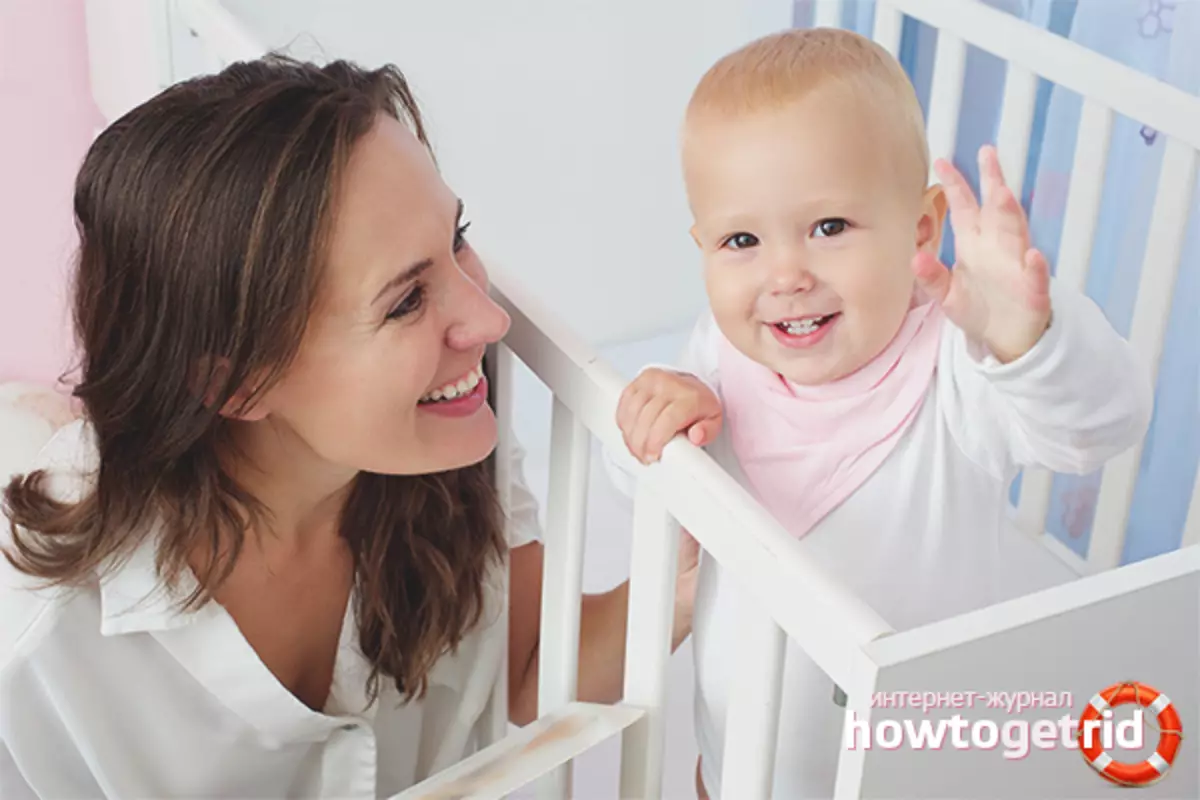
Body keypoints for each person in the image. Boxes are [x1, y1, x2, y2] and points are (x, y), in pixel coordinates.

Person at [0, 56, 698, 798]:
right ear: (237, 380)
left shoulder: (437, 439)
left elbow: (527, 662)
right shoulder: (38, 649)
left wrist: (687, 580)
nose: (489, 322)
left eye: (457, 237)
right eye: (405, 301)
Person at [614, 28, 1153, 799]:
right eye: (741, 240)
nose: (786, 275)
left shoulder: (959, 368)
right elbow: (635, 476)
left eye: (829, 227)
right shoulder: (719, 357)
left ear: (923, 229)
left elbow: (1104, 425)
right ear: (702, 246)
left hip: (917, 762)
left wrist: (1028, 343)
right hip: (734, 755)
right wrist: (656, 411)